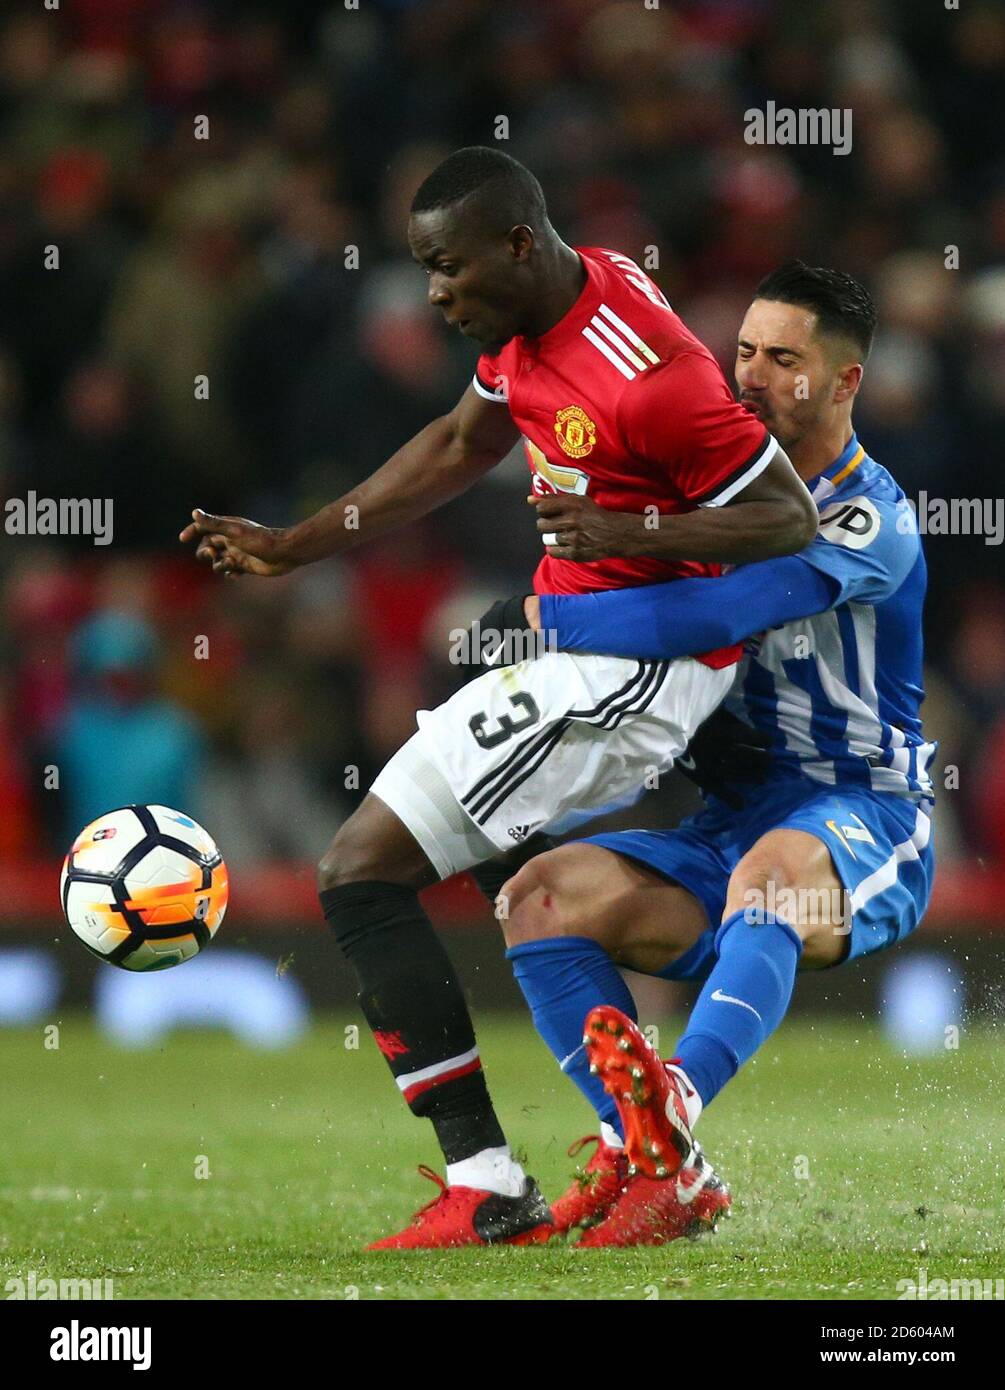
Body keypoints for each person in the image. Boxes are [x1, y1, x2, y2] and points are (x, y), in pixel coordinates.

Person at [180, 148, 817, 1249]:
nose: (435, 292)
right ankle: (655, 1151)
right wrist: (298, 544)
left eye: (447, 267)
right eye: (424, 270)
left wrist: (635, 533)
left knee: (358, 872)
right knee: (521, 889)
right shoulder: (528, 327)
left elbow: (786, 515)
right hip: (579, 654)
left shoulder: (649, 375)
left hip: (637, 672)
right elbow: (460, 443)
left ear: (519, 245)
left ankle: (484, 1180)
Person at [489, 262, 936, 1246]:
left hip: (863, 813)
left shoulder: (869, 517)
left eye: (785, 359)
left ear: (846, 382)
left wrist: (547, 618)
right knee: (538, 898)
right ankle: (659, 1165)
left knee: (773, 874)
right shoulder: (702, 497)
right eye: (741, 352)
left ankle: (675, 1103)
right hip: (727, 823)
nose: (752, 377)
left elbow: (730, 606)